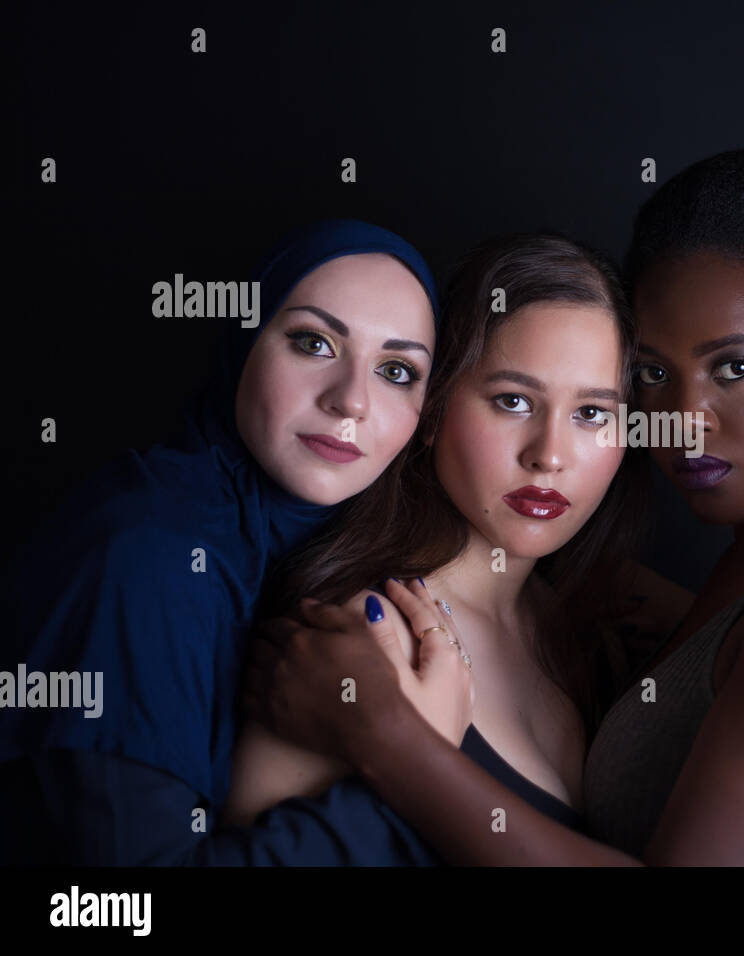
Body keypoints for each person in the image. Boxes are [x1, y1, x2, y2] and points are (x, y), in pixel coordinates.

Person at [247, 152, 744, 865]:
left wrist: (391, 739)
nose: (685, 419)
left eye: (735, 368)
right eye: (655, 374)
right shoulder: (724, 578)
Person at [0, 219, 446, 864]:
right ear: (244, 343)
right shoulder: (148, 557)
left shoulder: (360, 557)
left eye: (398, 370)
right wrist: (417, 776)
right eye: (313, 342)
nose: (351, 401)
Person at [233, 232, 648, 833]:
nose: (549, 455)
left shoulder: (584, 635)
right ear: (432, 413)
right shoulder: (365, 635)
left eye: (591, 414)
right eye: (512, 401)